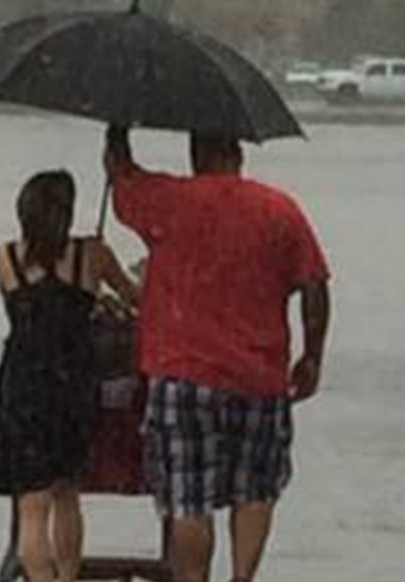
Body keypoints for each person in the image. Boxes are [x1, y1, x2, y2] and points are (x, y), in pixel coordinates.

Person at [103, 126, 331, 582]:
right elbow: (314, 286)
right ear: (238, 155)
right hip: (259, 377)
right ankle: (243, 578)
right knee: (255, 489)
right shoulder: (279, 209)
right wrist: (312, 356)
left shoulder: (169, 201)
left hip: (183, 375)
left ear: (195, 156)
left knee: (189, 497)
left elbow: (122, 181)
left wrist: (117, 134)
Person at [0, 170, 139, 582]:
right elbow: (133, 296)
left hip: (23, 385)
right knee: (68, 494)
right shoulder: (93, 255)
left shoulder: (6, 258)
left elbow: (28, 316)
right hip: (73, 386)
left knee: (32, 505)